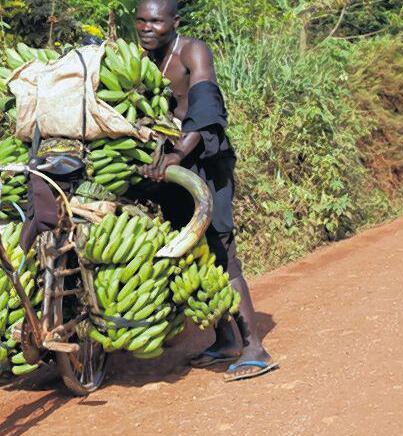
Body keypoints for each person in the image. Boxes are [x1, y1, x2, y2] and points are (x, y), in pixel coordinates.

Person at [134, 0, 277, 381]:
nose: (147, 28)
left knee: (219, 247)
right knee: (189, 251)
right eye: (141, 20)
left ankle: (253, 347)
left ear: (174, 22)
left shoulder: (192, 52)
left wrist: (179, 151)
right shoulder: (138, 60)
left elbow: (206, 106)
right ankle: (224, 339)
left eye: (156, 22)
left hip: (201, 161)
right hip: (166, 168)